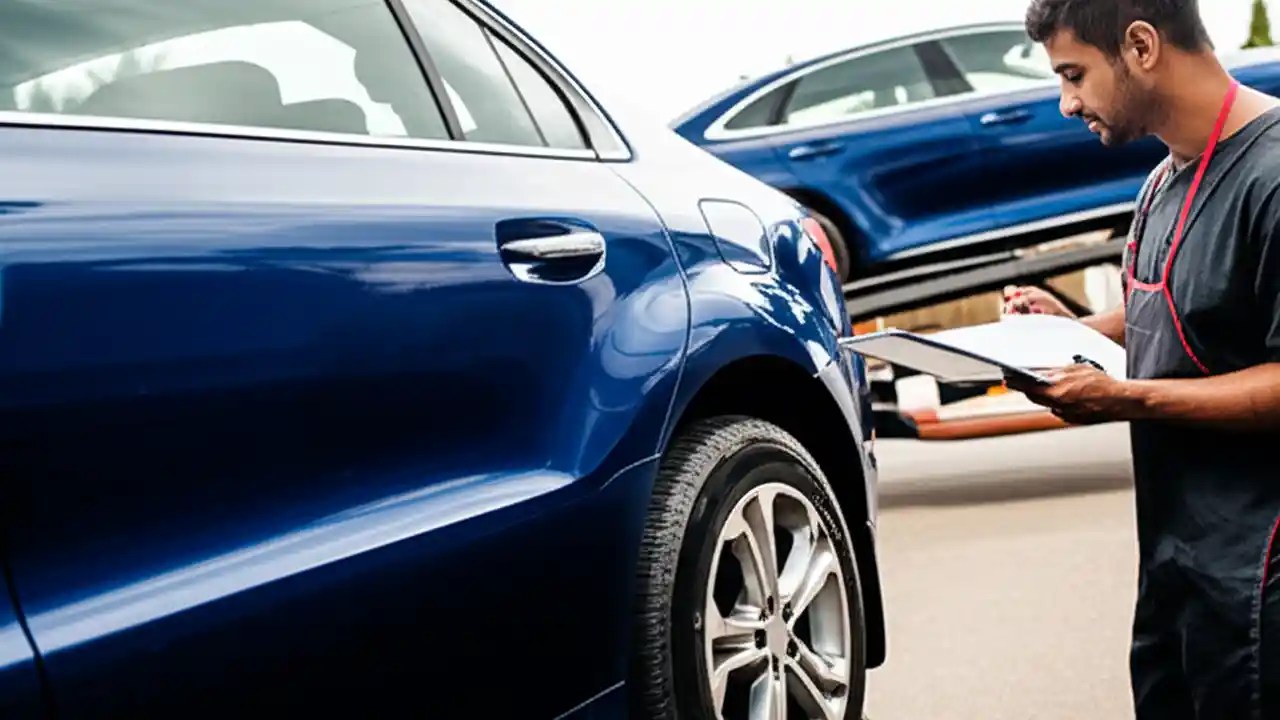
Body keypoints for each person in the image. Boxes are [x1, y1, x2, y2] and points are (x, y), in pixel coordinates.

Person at [1006, 1, 1280, 718]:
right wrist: (1072, 326)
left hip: (1263, 578)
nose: (1067, 102)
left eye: (1074, 74)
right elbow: (1195, 299)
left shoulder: (1273, 176)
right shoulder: (1164, 180)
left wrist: (1127, 398)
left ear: (1140, 45)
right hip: (1175, 567)